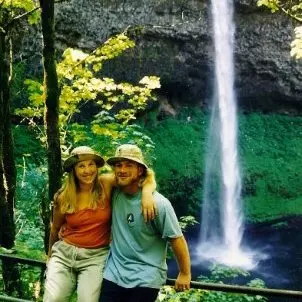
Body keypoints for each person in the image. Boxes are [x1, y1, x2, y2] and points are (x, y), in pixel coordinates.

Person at [43, 146, 156, 302]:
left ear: (96, 166)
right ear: (73, 170)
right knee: (53, 299)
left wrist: (147, 194)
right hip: (64, 254)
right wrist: (49, 257)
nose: (87, 170)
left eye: (91, 164)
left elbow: (143, 176)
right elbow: (55, 228)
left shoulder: (105, 183)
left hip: (95, 257)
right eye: (81, 166)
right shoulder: (64, 196)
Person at [99, 144, 191, 302]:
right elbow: (99, 178)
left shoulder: (159, 204)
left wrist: (185, 273)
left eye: (129, 165)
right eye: (119, 165)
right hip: (114, 274)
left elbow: (176, 239)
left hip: (145, 277)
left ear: (140, 170)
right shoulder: (115, 192)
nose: (122, 170)